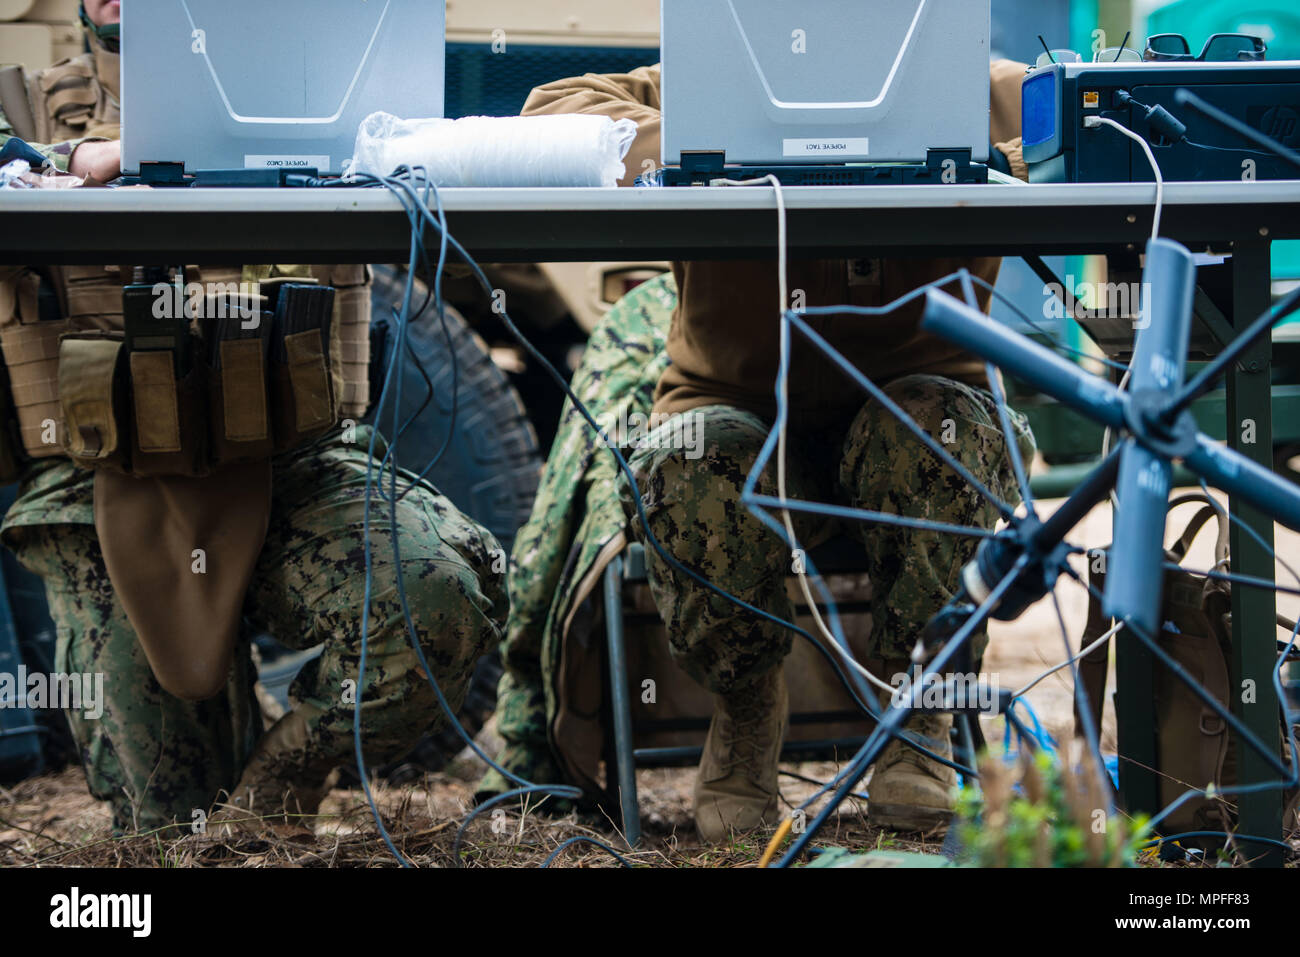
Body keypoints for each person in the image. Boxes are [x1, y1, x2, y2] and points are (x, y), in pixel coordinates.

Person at [483, 59, 1035, 841]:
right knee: (689, 451)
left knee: (942, 431)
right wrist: (721, 151)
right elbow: (551, 111)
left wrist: (988, 161)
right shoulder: (725, 68)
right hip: (737, 401)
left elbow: (1087, 118)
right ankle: (746, 710)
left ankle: (921, 711)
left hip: (909, 404)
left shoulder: (969, 81)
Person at [0, 2, 506, 834]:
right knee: (173, 826)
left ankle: (283, 778)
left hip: (292, 463)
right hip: (97, 479)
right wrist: (70, 161)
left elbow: (434, 147)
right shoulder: (27, 113)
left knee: (442, 600)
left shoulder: (323, 104)